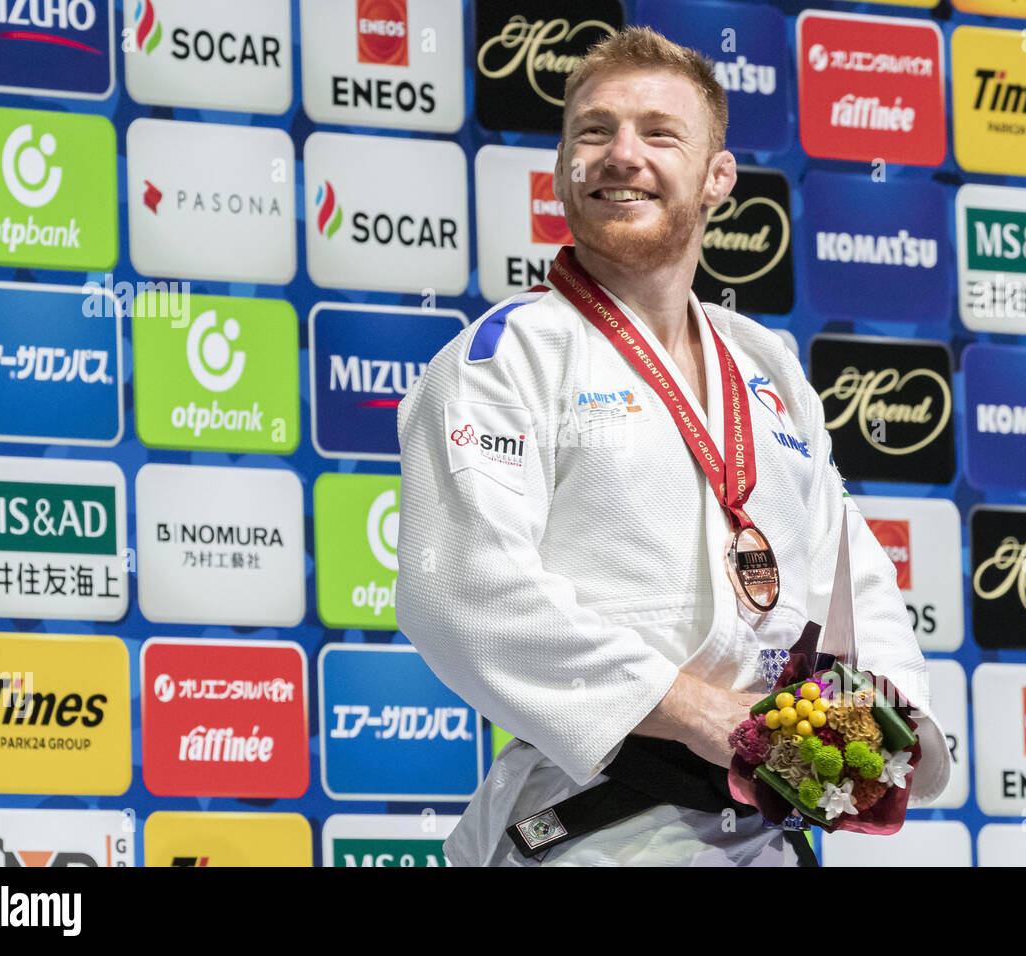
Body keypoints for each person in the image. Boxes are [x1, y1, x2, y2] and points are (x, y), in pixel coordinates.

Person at [396, 26, 949, 866]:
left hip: (764, 829)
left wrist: (867, 735)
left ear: (716, 178)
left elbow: (851, 578)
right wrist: (700, 713)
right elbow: (466, 591)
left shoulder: (766, 365)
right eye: (594, 132)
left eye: (659, 133)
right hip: (595, 822)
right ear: (562, 171)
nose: (623, 154)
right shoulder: (505, 356)